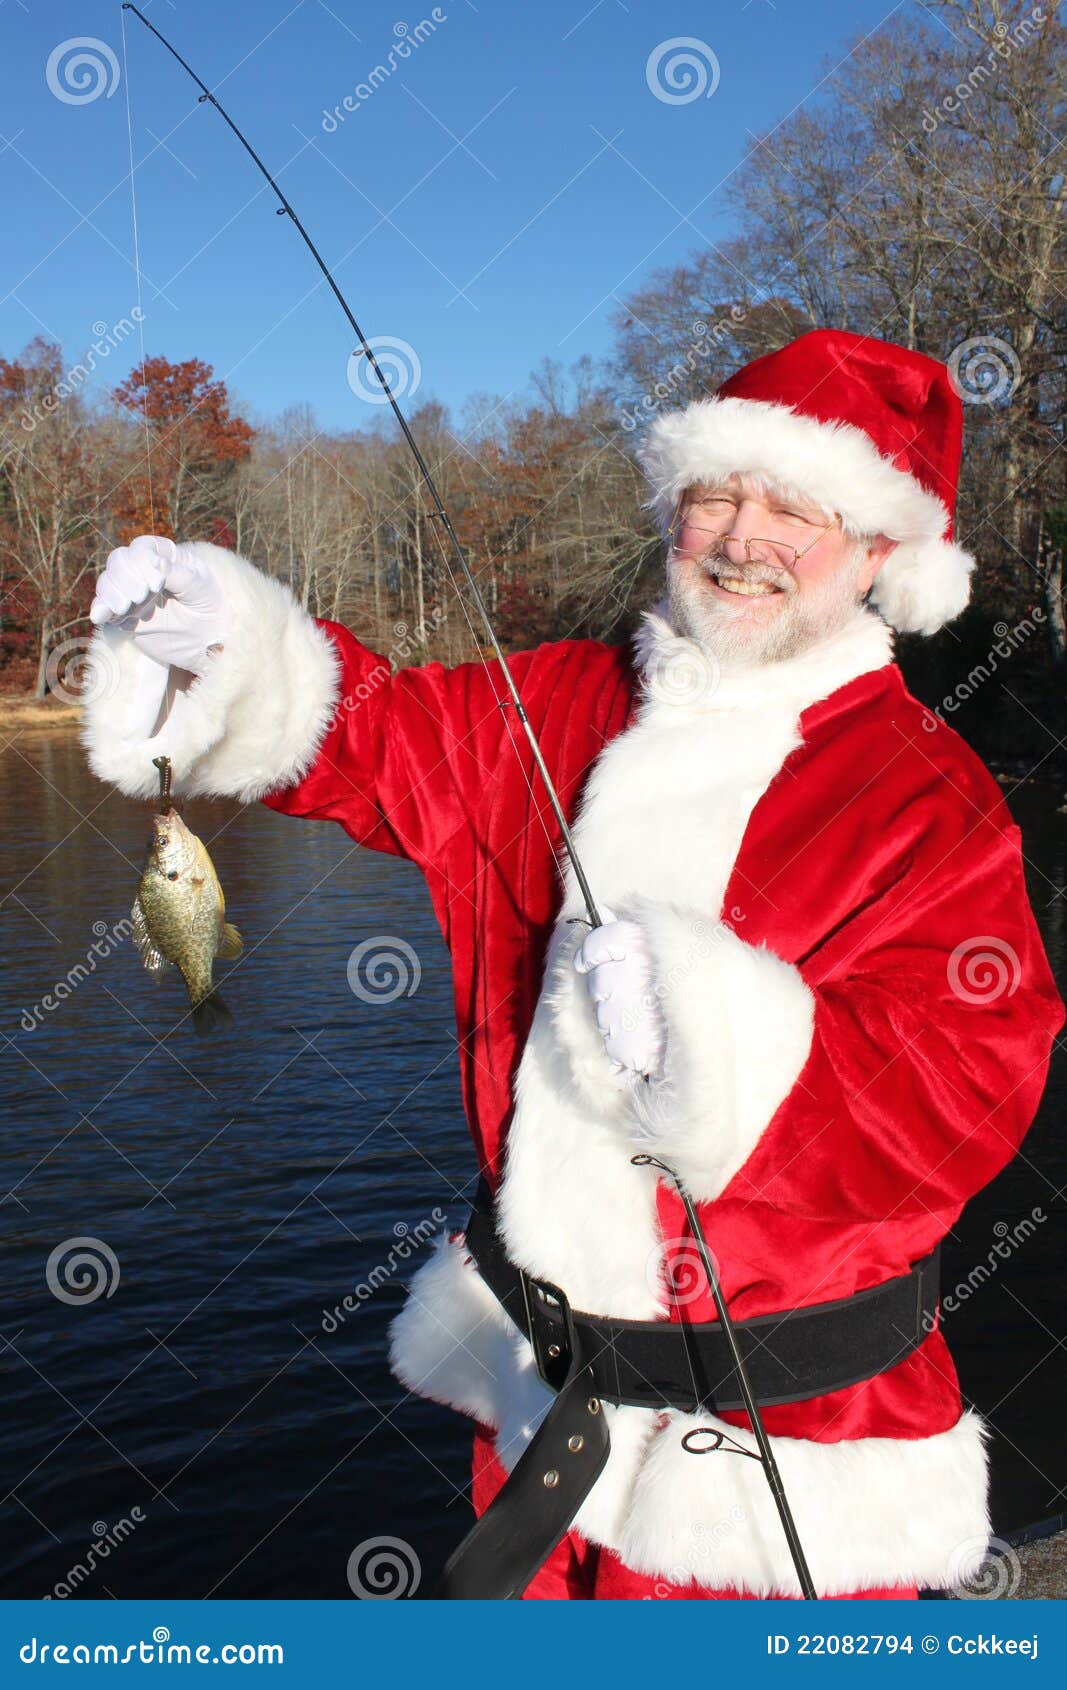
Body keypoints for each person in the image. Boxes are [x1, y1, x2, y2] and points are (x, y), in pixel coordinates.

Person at [82, 328, 1064, 1601]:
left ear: (877, 552)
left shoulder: (926, 797)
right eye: (714, 491)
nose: (738, 535)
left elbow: (965, 1089)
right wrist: (224, 656)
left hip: (780, 1466)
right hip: (536, 1419)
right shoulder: (554, 701)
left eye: (795, 508)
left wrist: (726, 1041)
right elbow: (376, 738)